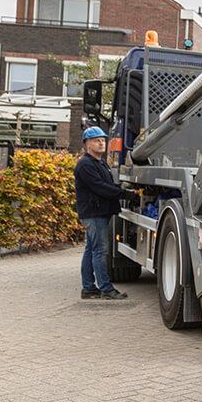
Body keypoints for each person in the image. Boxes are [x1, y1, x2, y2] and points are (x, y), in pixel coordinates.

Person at [75, 126, 139, 300]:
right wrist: (126, 194)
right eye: (97, 140)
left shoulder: (99, 163)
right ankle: (106, 289)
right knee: (100, 250)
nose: (102, 143)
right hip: (94, 213)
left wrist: (122, 189)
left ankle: (88, 288)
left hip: (97, 212)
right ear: (87, 144)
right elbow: (101, 188)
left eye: (103, 140)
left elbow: (107, 186)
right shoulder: (85, 164)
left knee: (91, 249)